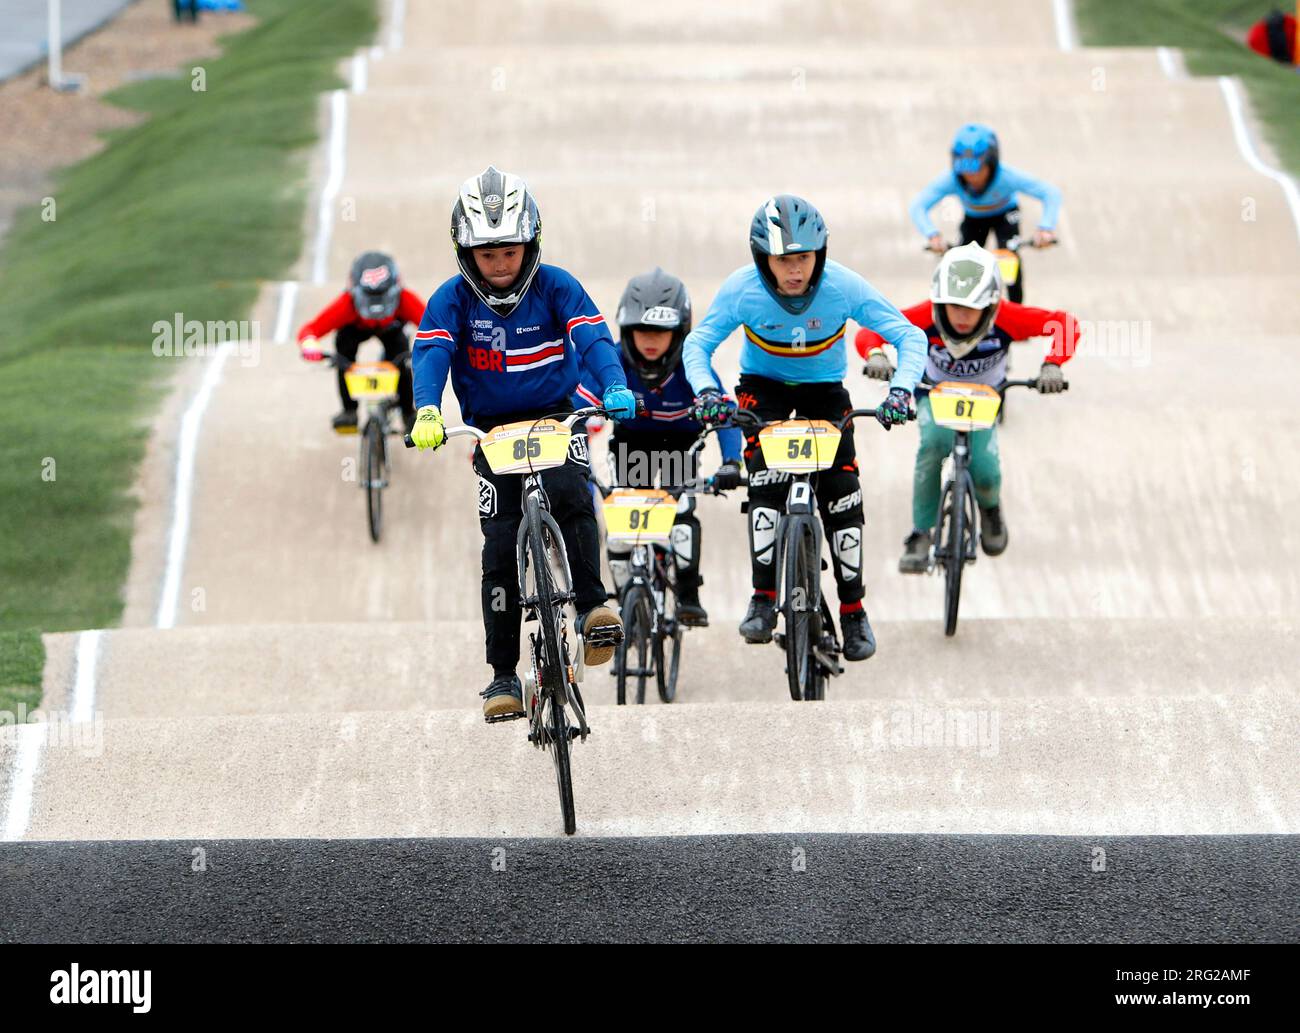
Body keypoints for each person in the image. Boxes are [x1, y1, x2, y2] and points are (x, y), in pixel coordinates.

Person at [408, 166, 636, 722]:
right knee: (499, 547)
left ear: (531, 241)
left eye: (510, 250)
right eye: (487, 255)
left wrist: (614, 384)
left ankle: (592, 606)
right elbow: (431, 353)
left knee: (573, 494)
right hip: (490, 432)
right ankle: (503, 675)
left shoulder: (558, 285)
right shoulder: (451, 300)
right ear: (465, 253)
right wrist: (428, 409)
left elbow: (593, 337)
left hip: (556, 418)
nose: (501, 264)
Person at [682, 194, 927, 661]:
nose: (795, 270)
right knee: (766, 487)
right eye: (783, 260)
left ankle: (854, 611)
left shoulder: (843, 286)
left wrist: (901, 391)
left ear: (821, 254)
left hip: (823, 392)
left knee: (841, 494)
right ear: (763, 260)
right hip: (764, 388)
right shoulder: (741, 289)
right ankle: (763, 598)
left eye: (804, 258)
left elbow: (909, 336)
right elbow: (698, 346)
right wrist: (707, 394)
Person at [856, 243, 1078, 570]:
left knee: (986, 469)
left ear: (991, 305)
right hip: (934, 393)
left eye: (971, 308)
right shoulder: (923, 315)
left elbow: (1064, 324)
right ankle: (921, 532)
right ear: (938, 301)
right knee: (932, 445)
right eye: (952, 306)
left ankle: (990, 508)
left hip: (984, 399)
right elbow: (870, 331)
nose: (961, 316)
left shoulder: (1007, 317)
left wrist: (1053, 364)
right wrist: (876, 355)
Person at [575, 268, 744, 627]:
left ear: (679, 333)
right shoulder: (613, 361)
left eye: (660, 332)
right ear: (626, 331)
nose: (650, 340)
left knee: (680, 513)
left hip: (680, 446)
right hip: (631, 443)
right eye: (641, 331)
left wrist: (731, 463)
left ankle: (688, 594)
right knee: (620, 531)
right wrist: (572, 455)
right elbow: (580, 411)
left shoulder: (691, 365)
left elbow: (726, 416)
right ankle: (626, 605)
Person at [909, 124, 1061, 303]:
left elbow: (1050, 193)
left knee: (1009, 262)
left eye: (978, 170)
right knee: (963, 266)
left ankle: (1016, 309)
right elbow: (917, 206)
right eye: (965, 172)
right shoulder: (952, 179)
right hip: (974, 219)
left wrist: (1045, 228)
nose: (972, 178)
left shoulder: (1007, 176)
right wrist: (932, 235)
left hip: (1005, 216)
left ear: (992, 163)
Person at [297, 251, 422, 432]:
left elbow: (436, 326)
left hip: (390, 329)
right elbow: (311, 330)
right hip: (357, 329)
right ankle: (349, 410)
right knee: (343, 353)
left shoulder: (402, 299)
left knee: (401, 356)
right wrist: (309, 344)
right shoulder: (347, 304)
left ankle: (407, 412)